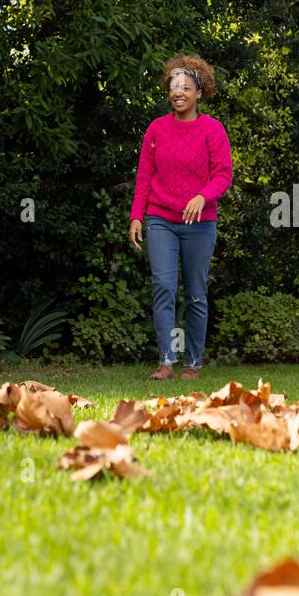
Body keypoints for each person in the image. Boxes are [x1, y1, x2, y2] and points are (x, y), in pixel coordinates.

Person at [128, 54, 232, 383]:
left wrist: (203, 196)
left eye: (186, 87)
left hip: (199, 225)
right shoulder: (156, 129)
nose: (179, 93)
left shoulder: (212, 130)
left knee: (196, 292)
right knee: (163, 287)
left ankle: (193, 364)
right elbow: (144, 176)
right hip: (160, 219)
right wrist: (136, 216)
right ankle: (166, 362)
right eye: (174, 87)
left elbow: (223, 174)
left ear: (199, 93)